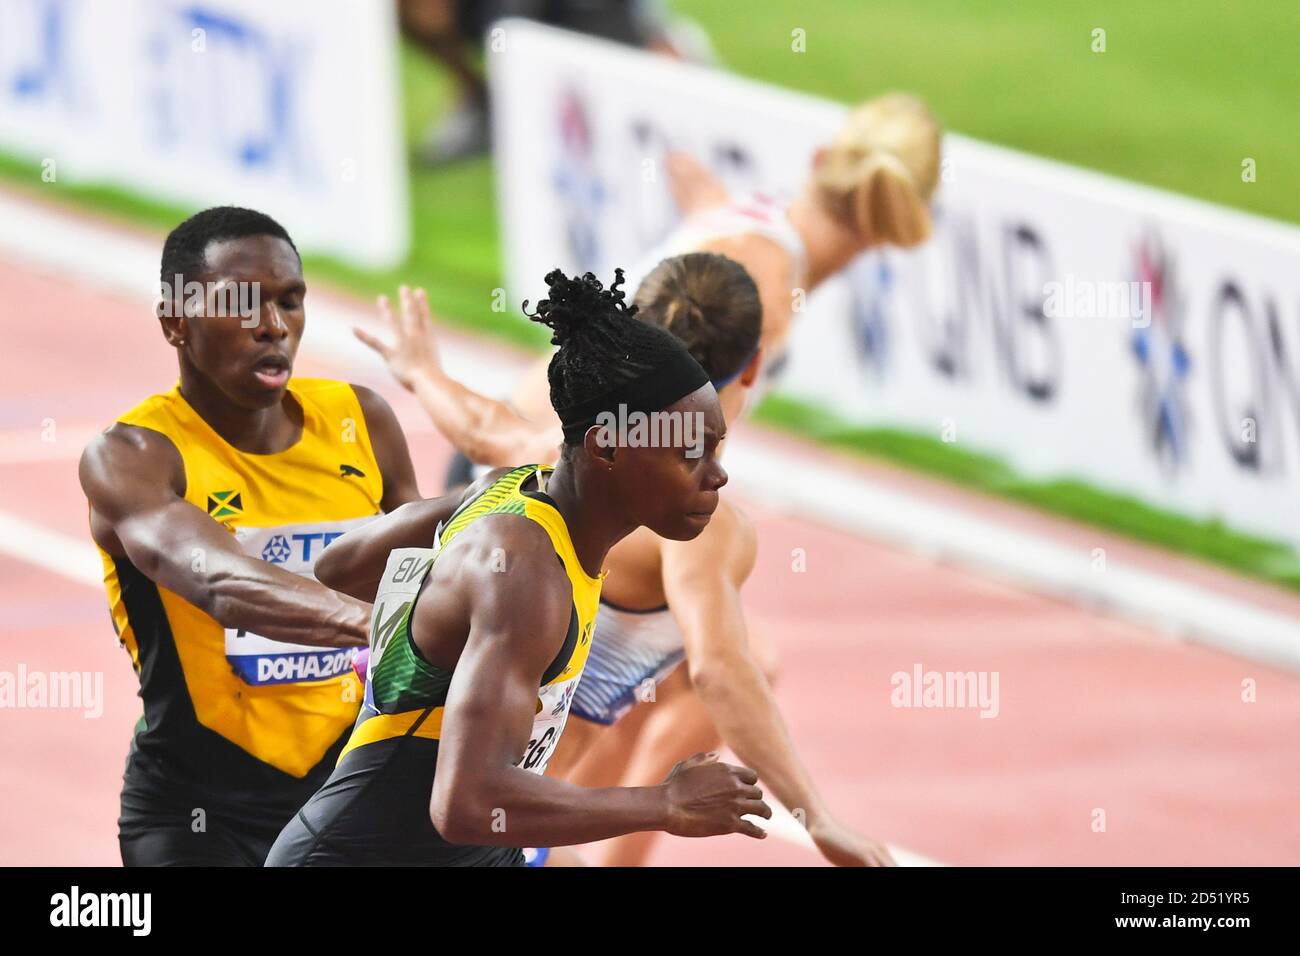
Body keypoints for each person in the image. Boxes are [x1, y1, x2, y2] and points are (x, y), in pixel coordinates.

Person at [356, 253, 897, 867]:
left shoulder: (576, 452)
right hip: (491, 819)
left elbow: (482, 428)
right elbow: (719, 672)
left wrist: (422, 371)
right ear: (753, 368)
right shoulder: (705, 527)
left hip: (435, 788)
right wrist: (819, 819)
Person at [265, 268, 770, 866]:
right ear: (607, 447)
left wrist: (425, 633)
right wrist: (664, 804)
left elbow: (337, 566)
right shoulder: (524, 570)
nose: (717, 474)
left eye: (716, 446)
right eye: (692, 450)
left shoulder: (504, 494)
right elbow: (467, 803)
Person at [79, 206, 421, 866]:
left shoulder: (361, 420)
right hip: (201, 815)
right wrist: (380, 624)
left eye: (291, 302)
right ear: (175, 321)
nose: (273, 326)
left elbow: (421, 565)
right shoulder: (134, 455)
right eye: (243, 304)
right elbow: (218, 580)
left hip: (346, 795)